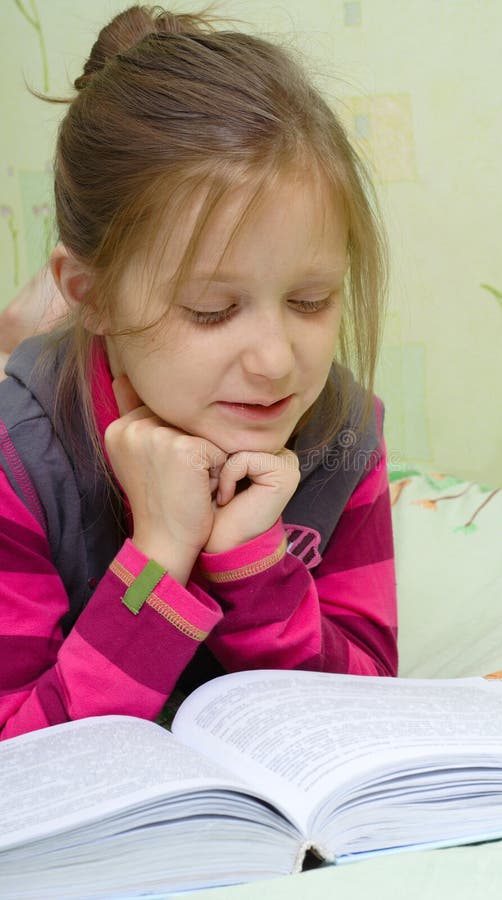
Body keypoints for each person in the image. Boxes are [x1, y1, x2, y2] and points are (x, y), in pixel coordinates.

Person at [0, 4, 397, 741]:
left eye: (310, 301)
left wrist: (252, 564)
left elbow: (371, 701)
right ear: (92, 294)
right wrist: (158, 556)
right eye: (212, 311)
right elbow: (18, 755)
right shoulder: (19, 462)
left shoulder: (342, 434)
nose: (275, 362)